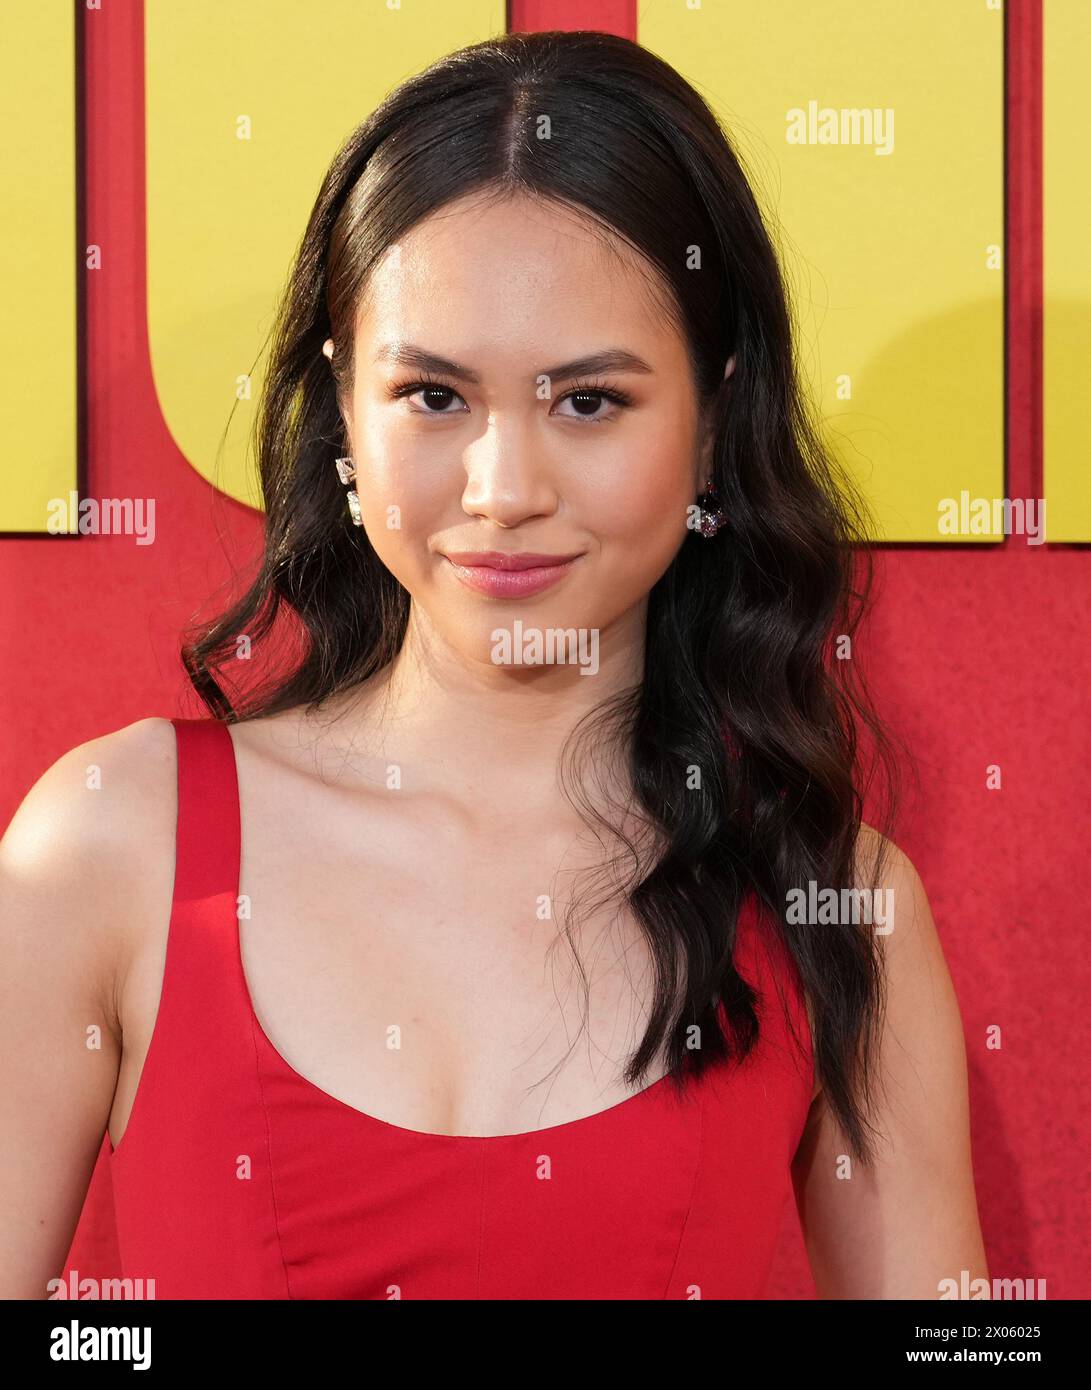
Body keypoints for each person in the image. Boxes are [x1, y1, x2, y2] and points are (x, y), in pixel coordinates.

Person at [0, 29, 987, 1299]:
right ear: (343, 413)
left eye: (587, 402)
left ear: (710, 424)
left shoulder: (835, 904)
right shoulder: (112, 841)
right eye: (432, 396)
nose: (502, 489)